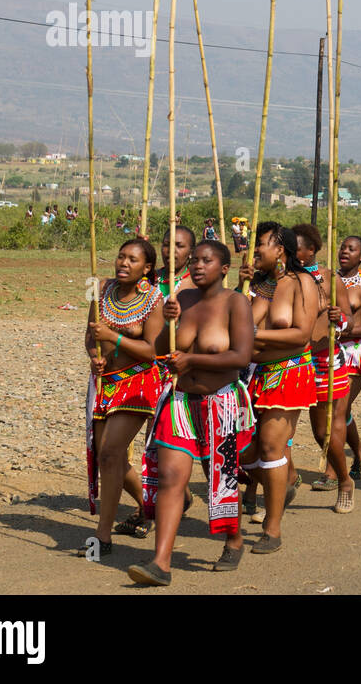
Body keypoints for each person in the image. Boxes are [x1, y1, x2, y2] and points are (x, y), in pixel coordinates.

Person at [128, 240, 254, 586]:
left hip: (222, 402)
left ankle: (234, 539)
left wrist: (192, 359)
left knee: (222, 479)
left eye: (206, 261)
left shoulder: (236, 303)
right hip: (180, 400)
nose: (197, 266)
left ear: (224, 268)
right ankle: (161, 563)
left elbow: (242, 357)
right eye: (194, 260)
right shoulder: (180, 300)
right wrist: (164, 322)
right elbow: (159, 350)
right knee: (170, 477)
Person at [83, 238, 165, 554]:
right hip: (104, 382)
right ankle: (153, 500)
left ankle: (102, 538)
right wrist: (94, 355)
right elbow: (90, 336)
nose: (123, 263)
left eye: (132, 259)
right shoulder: (98, 287)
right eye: (120, 256)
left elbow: (152, 351)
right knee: (108, 457)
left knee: (110, 452)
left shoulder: (155, 300)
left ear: (146, 268)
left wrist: (114, 339)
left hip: (139, 383)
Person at [240, 222, 317, 553]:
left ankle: (272, 530)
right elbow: (244, 324)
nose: (256, 249)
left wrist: (255, 336)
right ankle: (280, 486)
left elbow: (302, 335)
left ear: (280, 250)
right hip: (256, 374)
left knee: (272, 448)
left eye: (261, 245)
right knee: (244, 451)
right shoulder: (265, 285)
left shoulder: (302, 283)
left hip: (289, 373)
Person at [293, 225, 355, 512]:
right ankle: (279, 486)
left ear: (311, 251)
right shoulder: (284, 280)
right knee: (277, 432)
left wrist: (338, 317)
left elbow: (350, 322)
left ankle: (344, 480)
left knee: (322, 432)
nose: (290, 253)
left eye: (295, 248)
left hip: (323, 360)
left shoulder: (331, 280)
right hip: (290, 361)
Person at [318, 235, 361, 492]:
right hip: (327, 350)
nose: (344, 252)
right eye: (343, 247)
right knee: (337, 411)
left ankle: (332, 471)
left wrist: (347, 330)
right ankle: (359, 449)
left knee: (337, 410)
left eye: (351, 249)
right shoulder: (325, 281)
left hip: (356, 352)